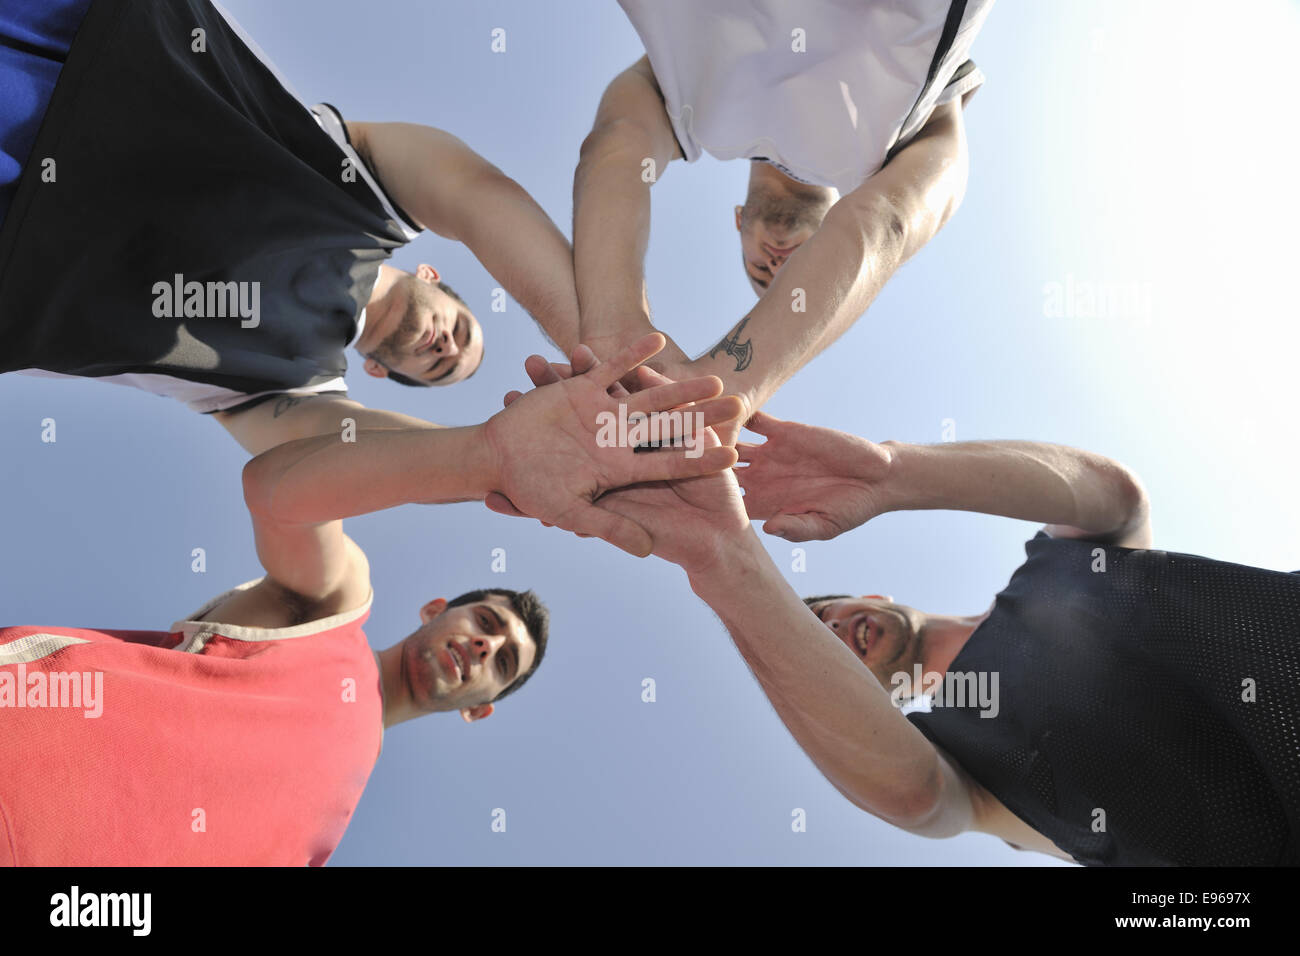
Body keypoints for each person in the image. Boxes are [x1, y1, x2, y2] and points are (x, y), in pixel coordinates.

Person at [505, 347, 1298, 865]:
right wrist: (725, 560)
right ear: (870, 696)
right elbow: (920, 797)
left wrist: (894, 474)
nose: (840, 632)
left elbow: (1111, 495)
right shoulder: (963, 766)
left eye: (830, 613)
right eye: (825, 647)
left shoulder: (1061, 576)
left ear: (873, 596)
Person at [0, 336, 742, 865]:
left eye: (504, 661)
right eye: (486, 622)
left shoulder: (325, 830)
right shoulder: (332, 610)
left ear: (480, 707)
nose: (486, 646)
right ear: (434, 608)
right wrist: (486, 456)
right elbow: (277, 495)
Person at [0, 0, 585, 452]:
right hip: (73, 42)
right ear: (431, 273)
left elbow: (340, 452)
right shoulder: (377, 199)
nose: (448, 346)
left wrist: (491, 451)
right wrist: (602, 349)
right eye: (463, 328)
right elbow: (478, 196)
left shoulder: (283, 389)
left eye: (443, 368)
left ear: (380, 370)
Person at [572, 0, 994, 439]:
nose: (776, 266)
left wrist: (617, 339)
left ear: (739, 222)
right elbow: (886, 224)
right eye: (790, 275)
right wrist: (726, 393)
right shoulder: (901, 140)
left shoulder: (681, 106)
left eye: (759, 269)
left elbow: (616, 147)